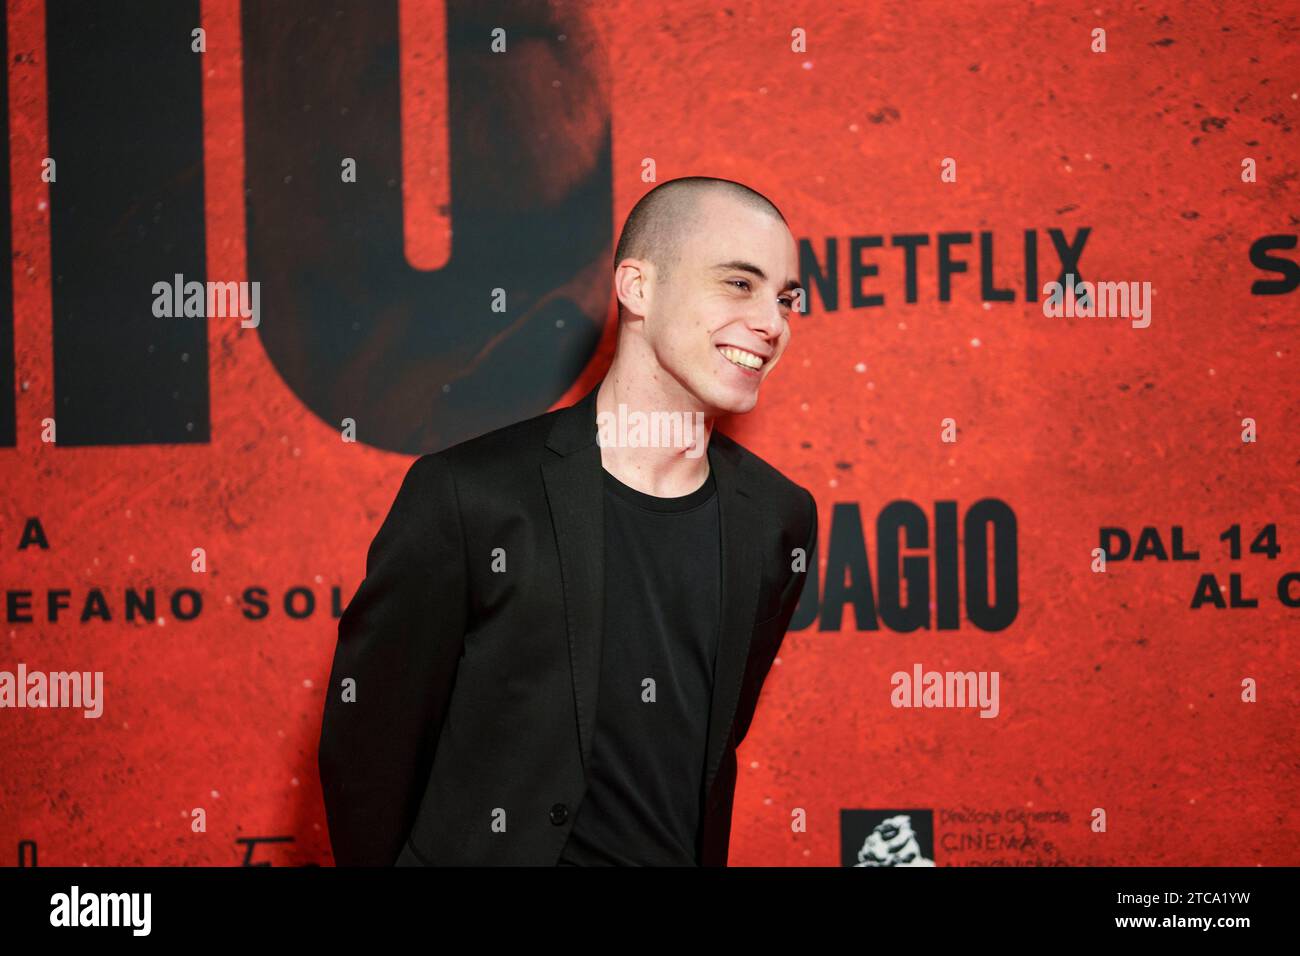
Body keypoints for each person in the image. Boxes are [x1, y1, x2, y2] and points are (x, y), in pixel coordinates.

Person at [318, 176, 818, 866]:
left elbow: (710, 747)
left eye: (786, 298)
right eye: (739, 284)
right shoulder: (471, 495)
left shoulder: (777, 519)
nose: (773, 323)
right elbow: (369, 747)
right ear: (636, 288)